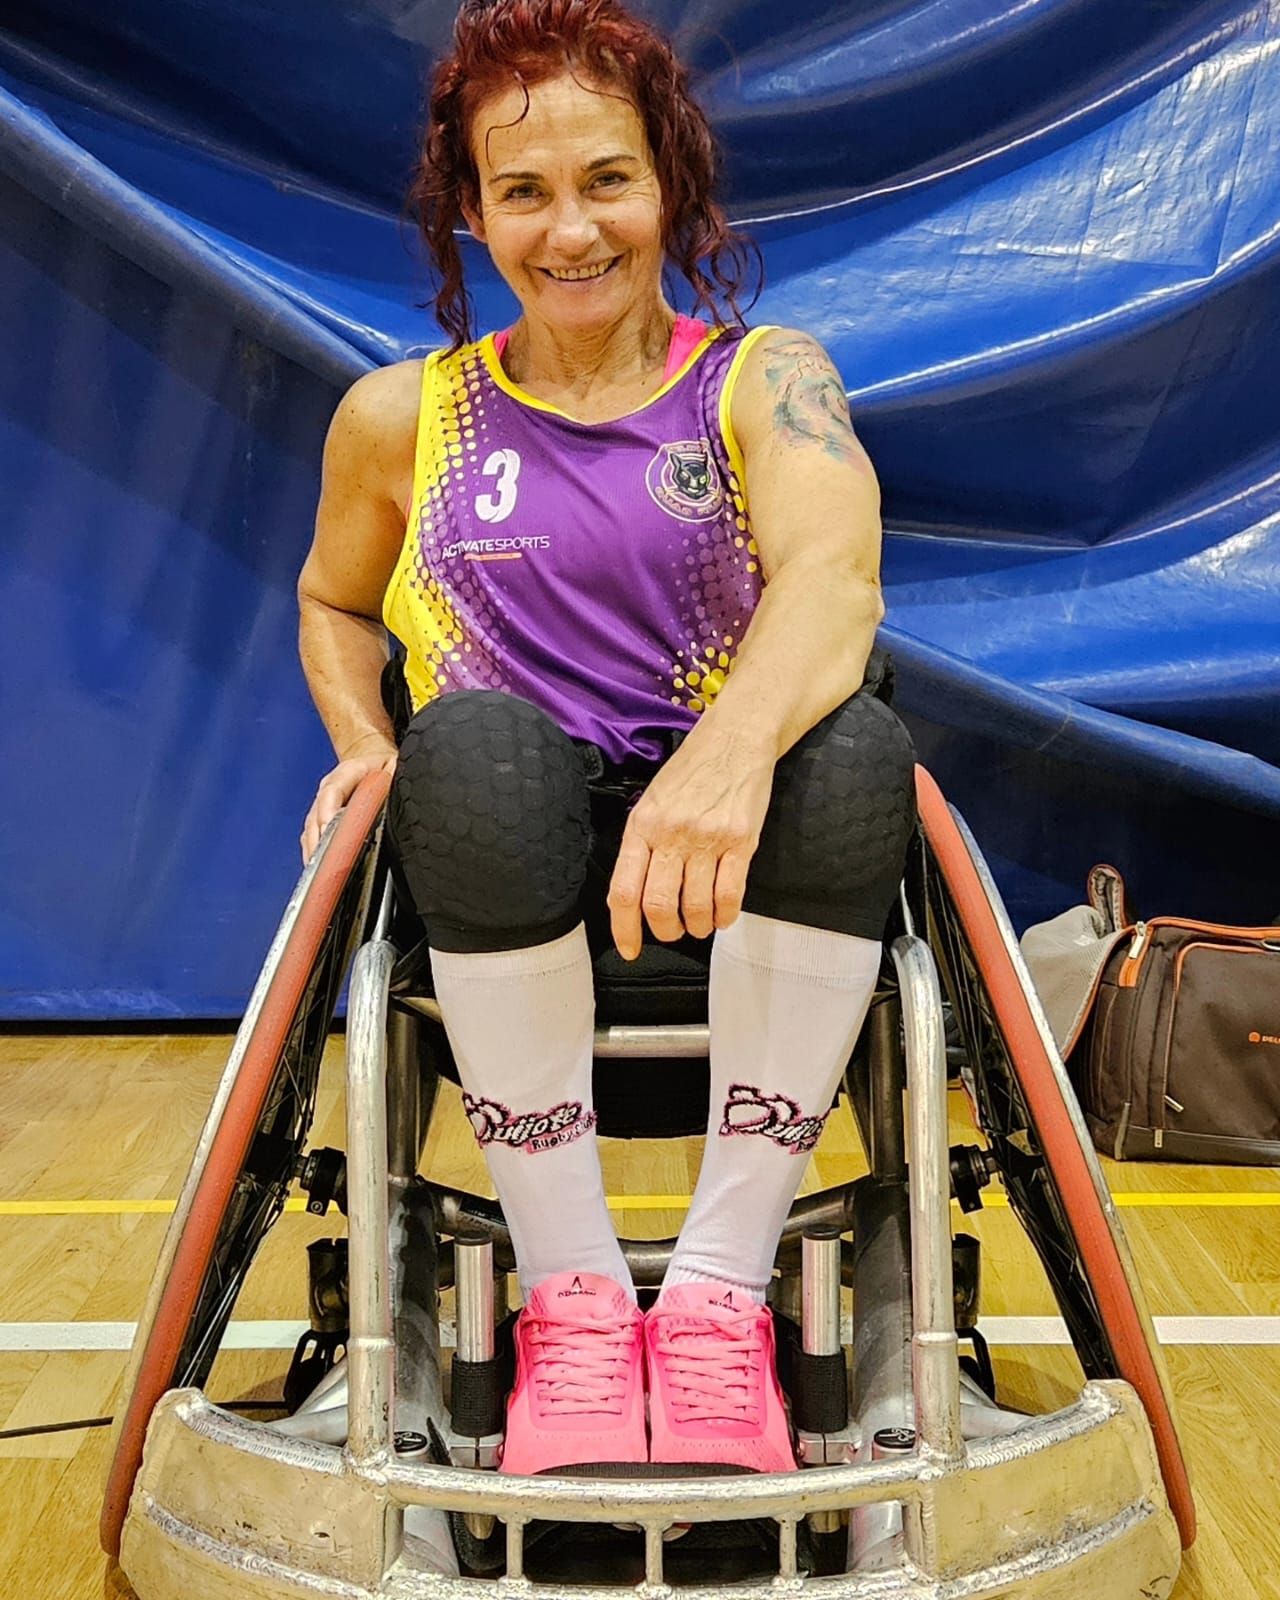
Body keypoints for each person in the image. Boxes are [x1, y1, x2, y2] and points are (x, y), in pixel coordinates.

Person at [297, 0, 916, 1478]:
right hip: (504, 849)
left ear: (671, 189)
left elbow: (837, 578)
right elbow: (332, 604)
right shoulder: (402, 418)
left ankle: (711, 1301)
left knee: (859, 748)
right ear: (470, 211)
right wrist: (367, 747)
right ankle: (574, 1303)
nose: (570, 230)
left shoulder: (767, 381)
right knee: (476, 753)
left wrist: (727, 757)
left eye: (607, 182)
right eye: (523, 192)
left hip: (741, 857)